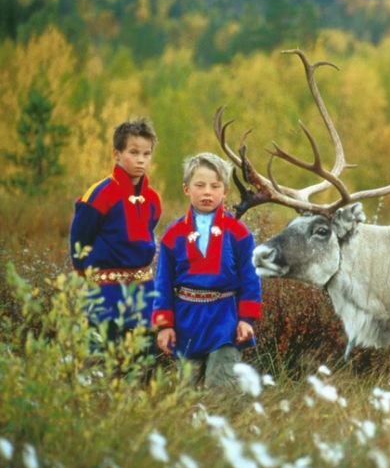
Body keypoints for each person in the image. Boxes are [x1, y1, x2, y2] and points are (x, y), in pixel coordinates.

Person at [152, 152, 262, 389]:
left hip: (225, 321)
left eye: (215, 186)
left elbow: (251, 280)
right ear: (186, 189)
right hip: (185, 322)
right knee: (184, 393)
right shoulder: (173, 235)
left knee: (222, 390)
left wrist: (246, 319)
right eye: (199, 185)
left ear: (225, 191)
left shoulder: (239, 233)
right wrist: (164, 325)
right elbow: (162, 284)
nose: (207, 192)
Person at [70, 119, 162, 340]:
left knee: (143, 360)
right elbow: (79, 241)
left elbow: (150, 228)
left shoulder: (152, 199)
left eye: (146, 154)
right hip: (105, 294)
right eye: (133, 152)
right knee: (103, 359)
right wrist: (87, 277)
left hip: (142, 294)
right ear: (116, 154)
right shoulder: (99, 194)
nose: (141, 160)